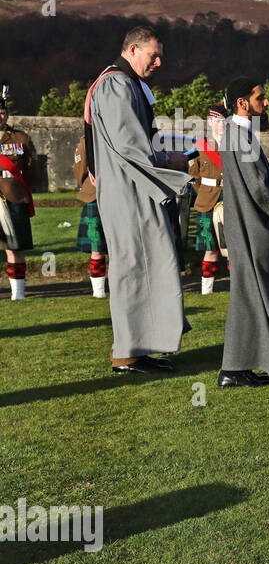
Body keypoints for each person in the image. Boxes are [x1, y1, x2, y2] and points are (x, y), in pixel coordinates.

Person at [86, 26, 194, 375]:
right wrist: (170, 161)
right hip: (128, 190)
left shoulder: (123, 83)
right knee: (133, 268)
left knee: (147, 266)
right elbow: (130, 146)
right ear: (132, 49)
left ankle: (141, 347)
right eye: (153, 55)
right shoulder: (116, 84)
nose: (159, 62)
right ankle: (126, 355)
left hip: (133, 189)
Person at [217, 78, 269, 388]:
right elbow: (259, 188)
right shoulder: (239, 136)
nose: (266, 103)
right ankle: (234, 368)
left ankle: (241, 367)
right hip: (253, 227)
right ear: (242, 102)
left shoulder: (236, 134)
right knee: (252, 294)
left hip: (247, 225)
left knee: (251, 296)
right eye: (260, 98)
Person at [0, 91, 38, 300]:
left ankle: (18, 294)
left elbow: (32, 170)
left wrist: (17, 189)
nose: (0, 116)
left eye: (2, 112)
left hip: (13, 200)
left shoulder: (21, 138)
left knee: (14, 249)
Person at [190, 102, 227, 296]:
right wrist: (204, 192)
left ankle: (238, 287)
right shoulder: (200, 146)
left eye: (224, 121)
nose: (220, 124)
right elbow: (193, 176)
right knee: (209, 248)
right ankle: (207, 290)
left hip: (230, 201)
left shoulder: (235, 146)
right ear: (209, 122)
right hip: (207, 201)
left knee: (233, 250)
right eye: (217, 121)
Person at [72, 136, 109, 297]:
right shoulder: (88, 139)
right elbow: (80, 167)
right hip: (95, 194)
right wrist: (88, 185)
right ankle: (99, 291)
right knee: (96, 245)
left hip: (120, 194)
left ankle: (117, 287)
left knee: (121, 248)